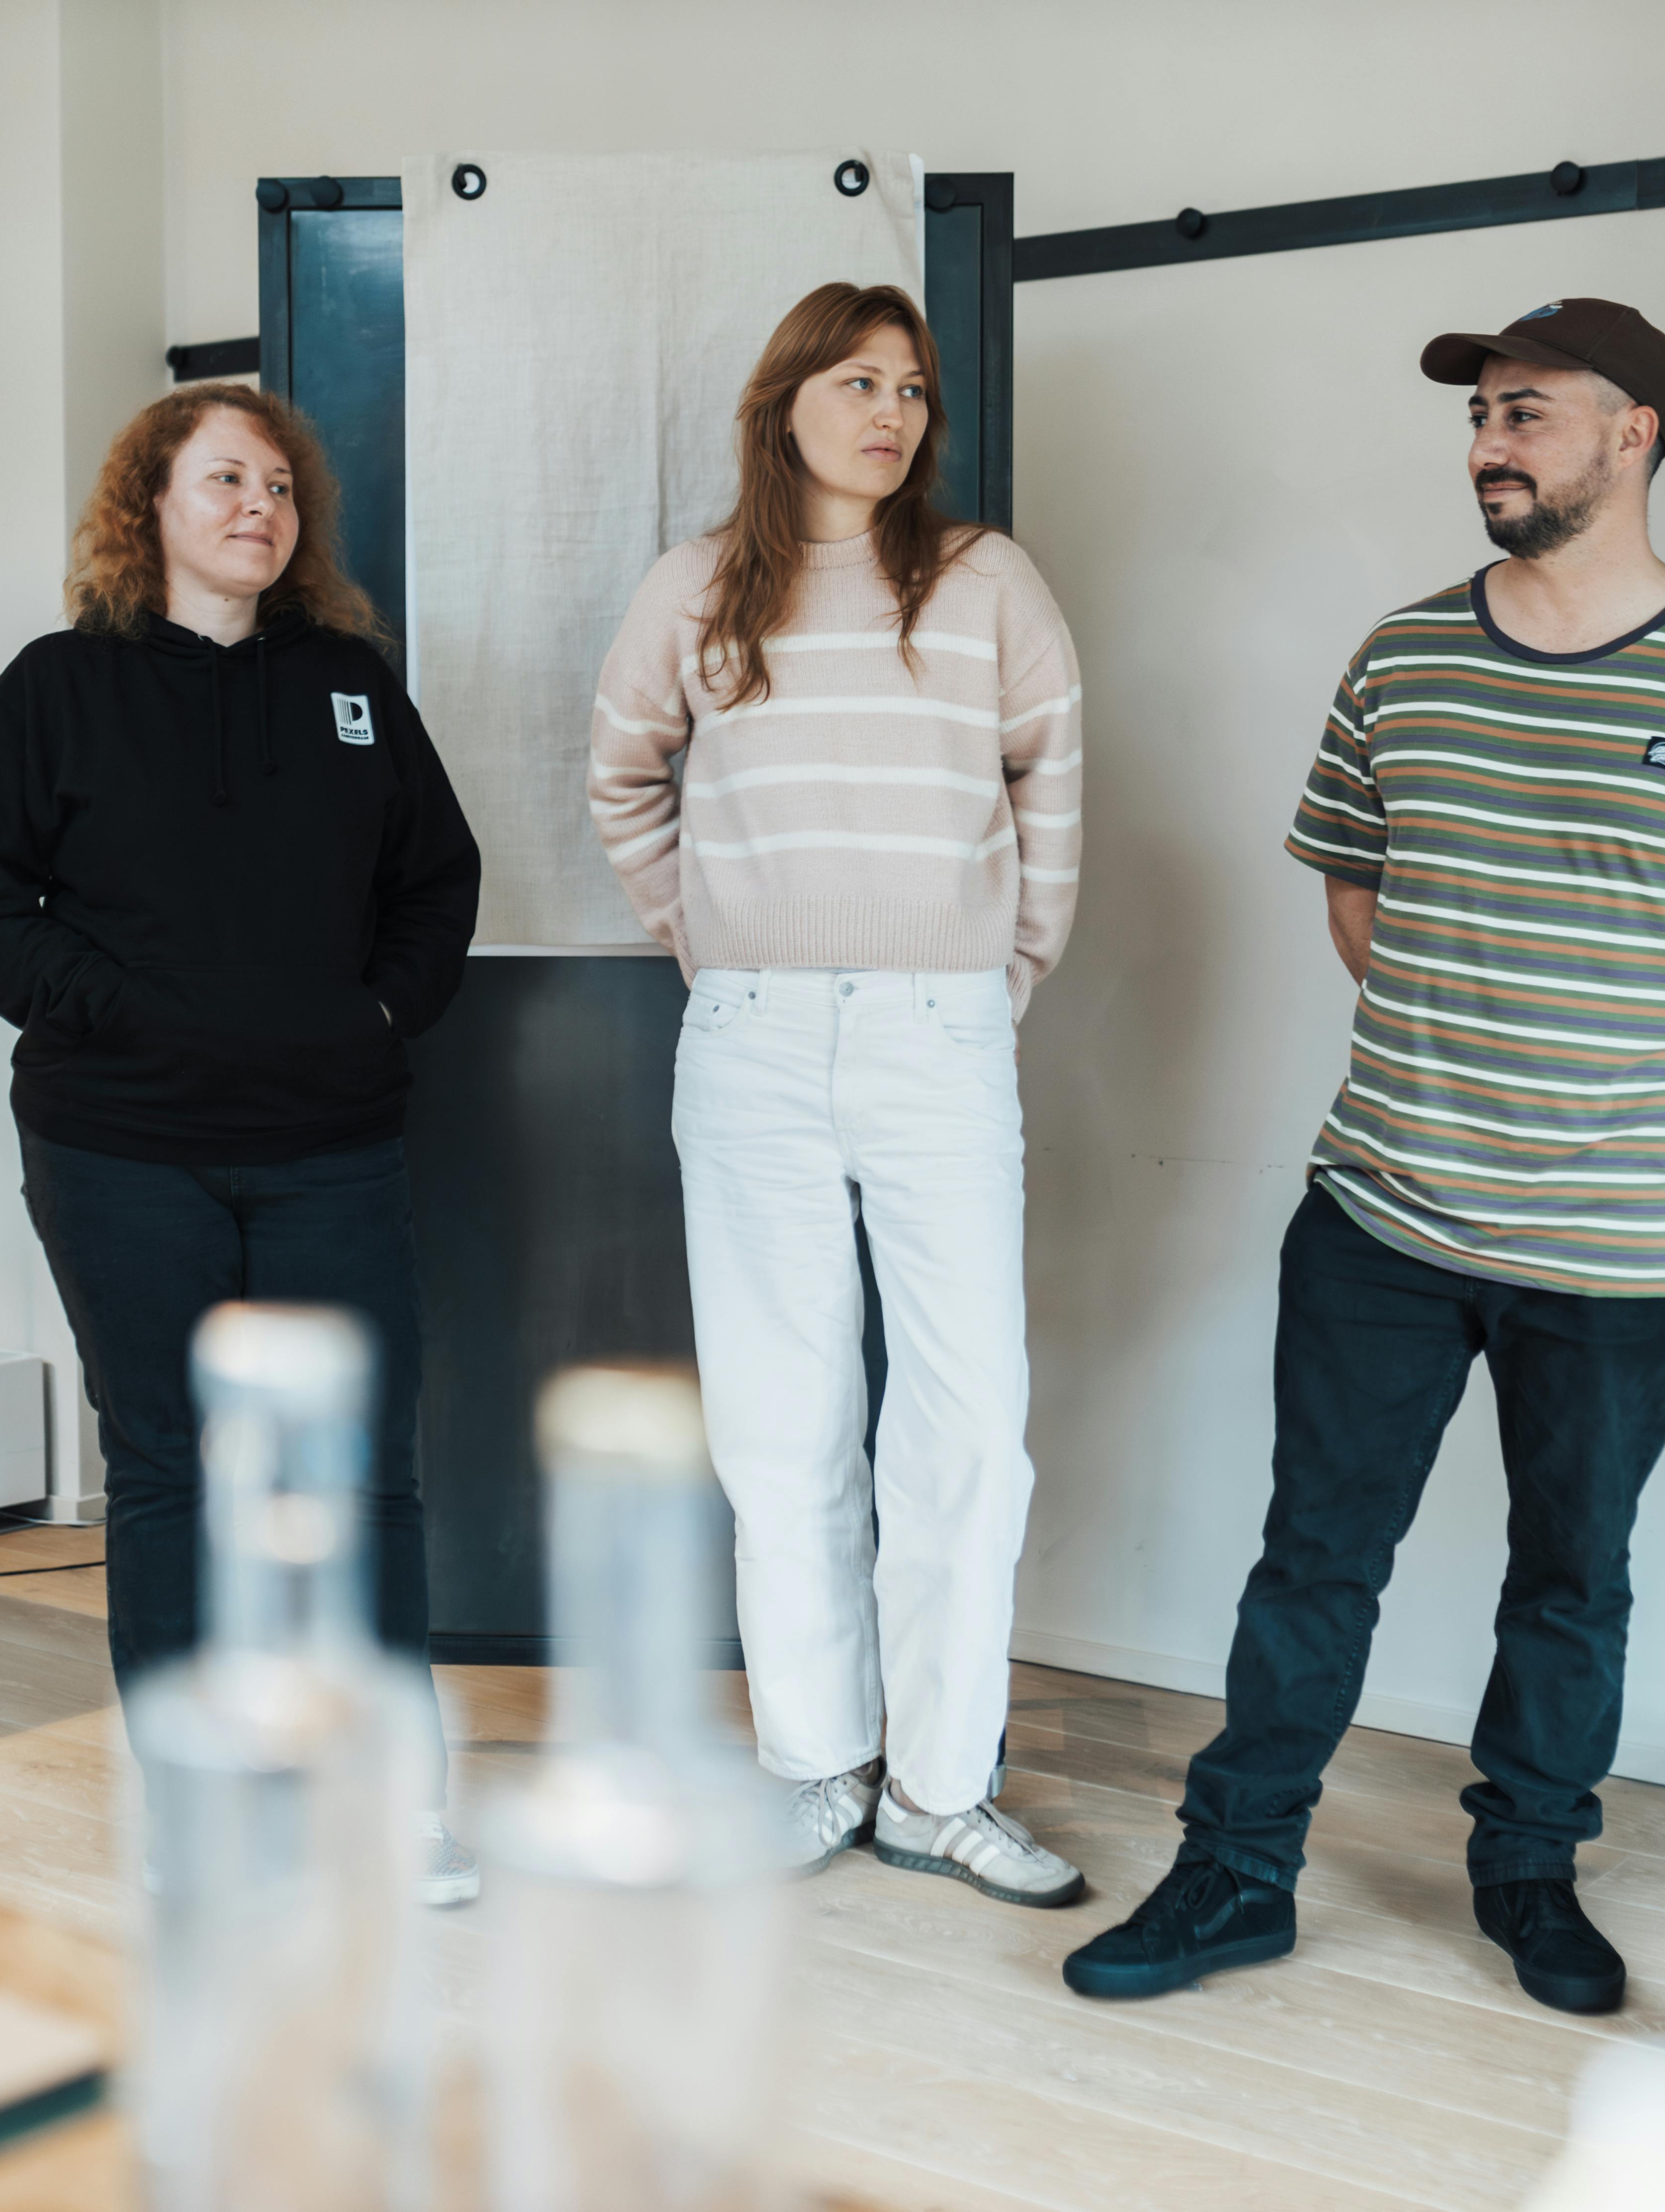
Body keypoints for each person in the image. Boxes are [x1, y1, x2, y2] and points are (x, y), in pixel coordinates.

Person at [1064, 299, 1665, 2007]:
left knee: (1574, 1582)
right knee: (1313, 1561)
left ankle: (1529, 1875)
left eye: (1529, 414)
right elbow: (1360, 900)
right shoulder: (1403, 658)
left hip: (1622, 1251)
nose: (1489, 443)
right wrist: (1471, 1054)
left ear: (1635, 433)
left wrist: (1650, 1129)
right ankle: (1236, 1873)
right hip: (1384, 1217)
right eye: (1482, 415)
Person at [0, 383, 483, 1903]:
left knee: (365, 1470)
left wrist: (375, 1014)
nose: (260, 505)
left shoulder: (349, 685)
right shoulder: (55, 687)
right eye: (223, 479)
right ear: (151, 508)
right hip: (123, 1147)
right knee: (169, 1468)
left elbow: (438, 883)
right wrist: (125, 1014)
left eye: (280, 487)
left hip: (330, 1144)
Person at [588, 282, 1086, 1908]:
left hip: (941, 1036)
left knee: (970, 1428)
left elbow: (1051, 793)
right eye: (859, 380)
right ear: (784, 400)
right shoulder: (691, 593)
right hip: (749, 1041)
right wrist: (713, 943)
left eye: (915, 390)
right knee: (780, 1421)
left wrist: (988, 982)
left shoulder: (984, 583)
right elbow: (620, 783)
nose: (894, 412)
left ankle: (943, 1791)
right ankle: (818, 1763)